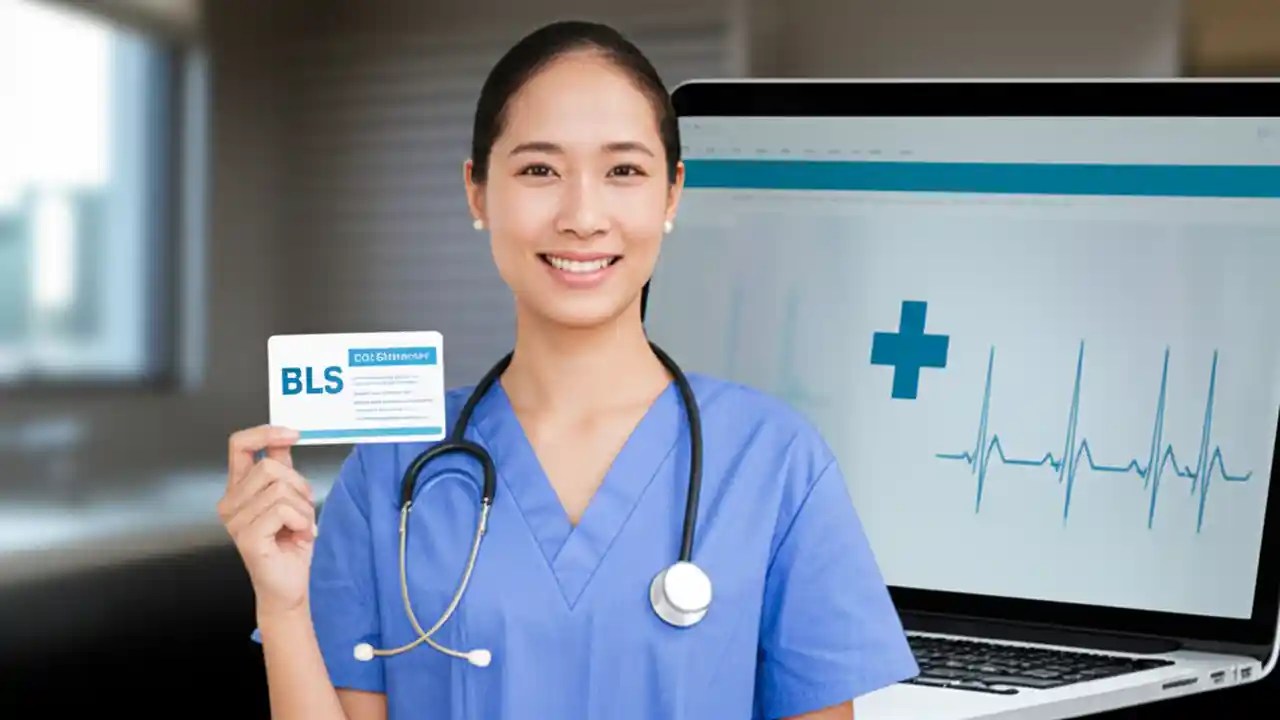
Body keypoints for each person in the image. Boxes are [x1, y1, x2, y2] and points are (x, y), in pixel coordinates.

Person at [218, 19, 918, 720]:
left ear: (672, 194)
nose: (583, 216)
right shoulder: (390, 471)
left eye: (624, 171)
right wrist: (283, 608)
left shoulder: (775, 462)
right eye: (539, 170)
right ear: (477, 192)